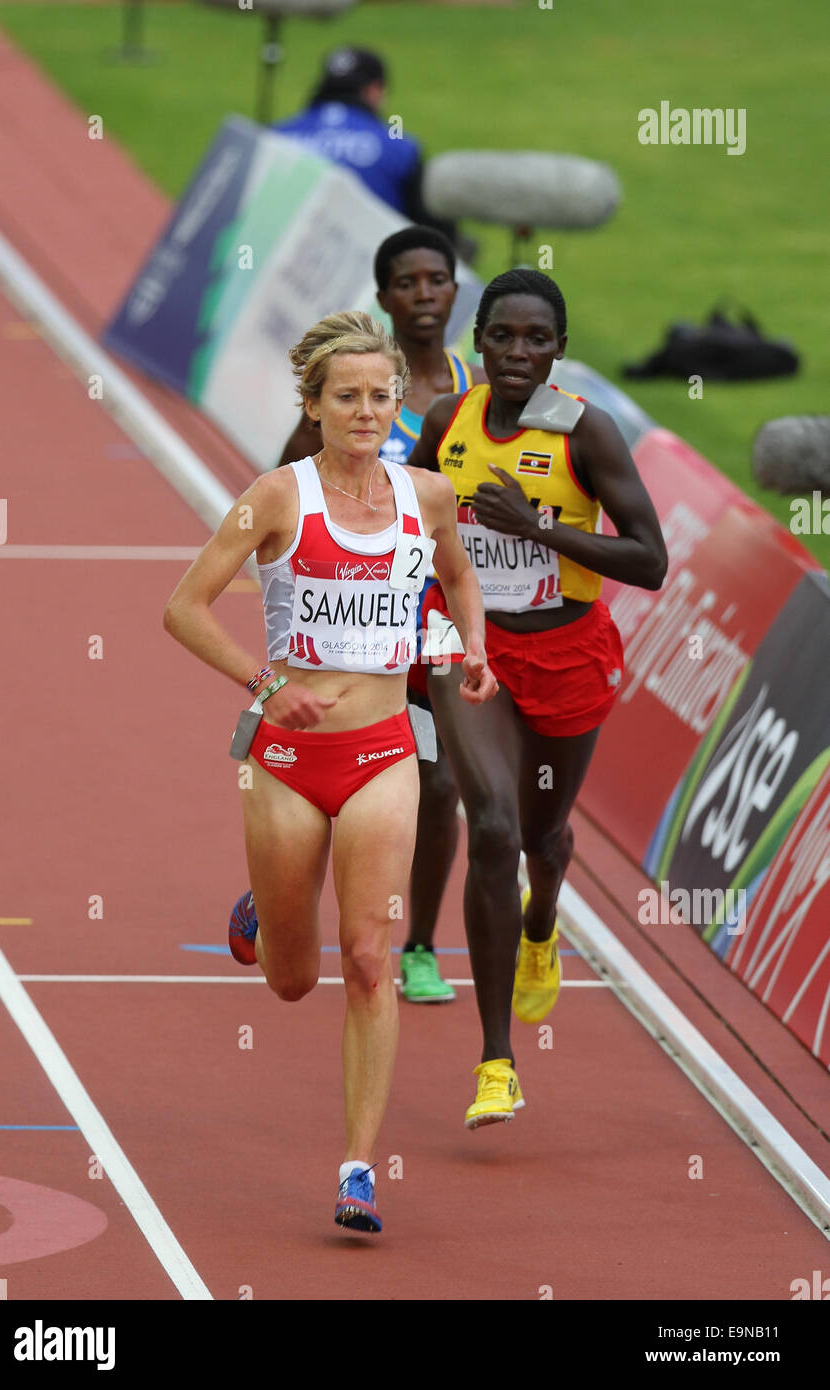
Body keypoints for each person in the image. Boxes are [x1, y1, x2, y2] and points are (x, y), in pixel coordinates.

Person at [163, 311, 497, 1231]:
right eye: (344, 397)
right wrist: (265, 685)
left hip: (387, 749)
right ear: (312, 407)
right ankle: (264, 919)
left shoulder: (427, 496)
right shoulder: (276, 497)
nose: (363, 411)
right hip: (283, 758)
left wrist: (473, 648)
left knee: (366, 959)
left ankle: (357, 1166)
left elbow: (461, 575)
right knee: (291, 978)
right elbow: (184, 608)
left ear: (396, 404)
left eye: (378, 397)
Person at [407, 269, 668, 1128]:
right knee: (492, 825)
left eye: (537, 340)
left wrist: (541, 529)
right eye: (503, 337)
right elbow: (408, 517)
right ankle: (495, 1062)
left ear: (559, 352)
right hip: (465, 637)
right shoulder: (448, 422)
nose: (518, 353)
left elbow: (650, 560)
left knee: (544, 837)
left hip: (565, 647)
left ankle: (542, 919)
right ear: (476, 343)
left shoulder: (586, 433)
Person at [277, 227, 486, 1003]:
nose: (426, 294)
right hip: (347, 629)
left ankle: (421, 945)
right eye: (409, 282)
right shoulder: (348, 390)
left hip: (428, 627)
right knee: (327, 775)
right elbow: (285, 488)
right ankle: (283, 896)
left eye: (439, 280)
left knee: (436, 788)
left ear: (455, 293)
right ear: (386, 296)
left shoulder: (476, 387)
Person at [273, 47, 458, 245]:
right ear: (374, 90)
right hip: (370, 267)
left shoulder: (273, 137)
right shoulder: (401, 147)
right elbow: (432, 232)